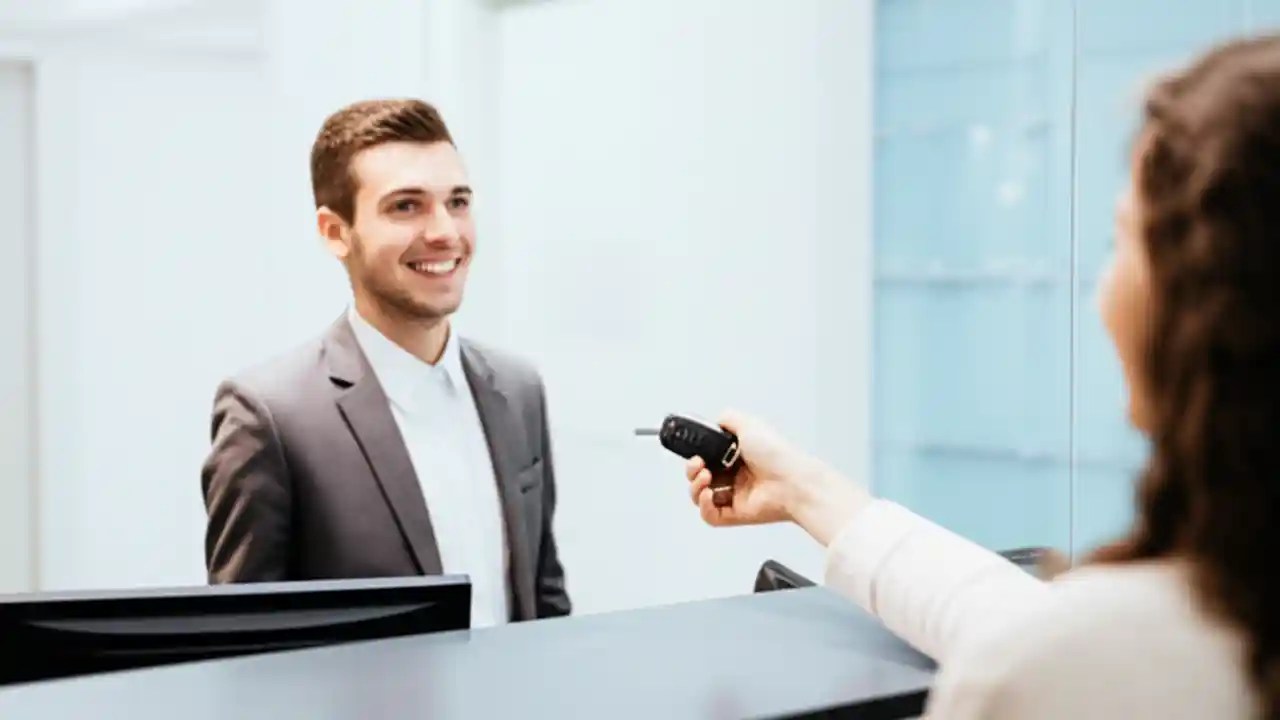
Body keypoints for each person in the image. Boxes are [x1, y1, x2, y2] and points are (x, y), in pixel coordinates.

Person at [684, 34, 1280, 718]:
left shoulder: (1077, 673)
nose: (1101, 288)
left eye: (1120, 239)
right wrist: (801, 488)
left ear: (1203, 306)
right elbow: (1015, 620)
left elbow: (1053, 655)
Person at [201, 98, 571, 627]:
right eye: (406, 206)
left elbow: (543, 600)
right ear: (335, 232)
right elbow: (245, 649)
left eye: (458, 202)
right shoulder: (270, 418)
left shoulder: (518, 390)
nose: (445, 231)